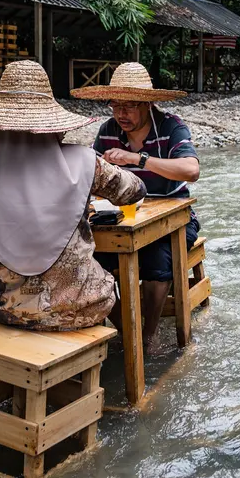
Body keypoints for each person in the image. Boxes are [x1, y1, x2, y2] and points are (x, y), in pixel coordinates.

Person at [0, 60, 145, 331]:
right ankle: (136, 353)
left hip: (6, 310)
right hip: (81, 306)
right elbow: (134, 191)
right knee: (107, 278)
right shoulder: (84, 162)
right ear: (54, 126)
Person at [71, 62, 201, 350]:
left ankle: (149, 332)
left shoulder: (171, 127)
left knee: (157, 260)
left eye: (129, 106)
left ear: (148, 105)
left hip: (176, 217)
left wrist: (137, 159)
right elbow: (91, 171)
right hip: (123, 219)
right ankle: (127, 331)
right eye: (115, 106)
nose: (121, 114)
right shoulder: (108, 130)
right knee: (91, 261)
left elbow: (191, 170)